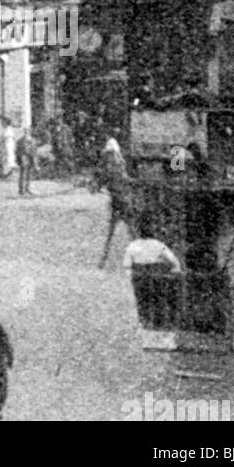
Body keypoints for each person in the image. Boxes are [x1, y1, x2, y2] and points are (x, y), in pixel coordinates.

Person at [124, 217, 183, 336]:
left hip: (140, 280)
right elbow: (174, 262)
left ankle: (145, 324)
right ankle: (159, 326)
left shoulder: (133, 246)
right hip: (156, 278)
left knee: (142, 301)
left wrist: (131, 277)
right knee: (158, 299)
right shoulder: (158, 245)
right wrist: (175, 272)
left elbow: (127, 266)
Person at [98, 138, 135, 268]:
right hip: (124, 200)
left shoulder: (110, 165)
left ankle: (103, 259)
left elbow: (103, 179)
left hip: (118, 202)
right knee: (131, 231)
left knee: (112, 232)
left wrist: (96, 186)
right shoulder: (120, 163)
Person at [16, 128, 36, 198]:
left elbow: (34, 150)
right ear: (24, 132)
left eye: (28, 131)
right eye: (26, 131)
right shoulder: (20, 141)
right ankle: (21, 190)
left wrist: (34, 159)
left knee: (29, 174)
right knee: (23, 174)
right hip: (23, 158)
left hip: (30, 158)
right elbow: (18, 151)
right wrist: (20, 159)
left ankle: (27, 189)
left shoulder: (32, 140)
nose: (27, 133)